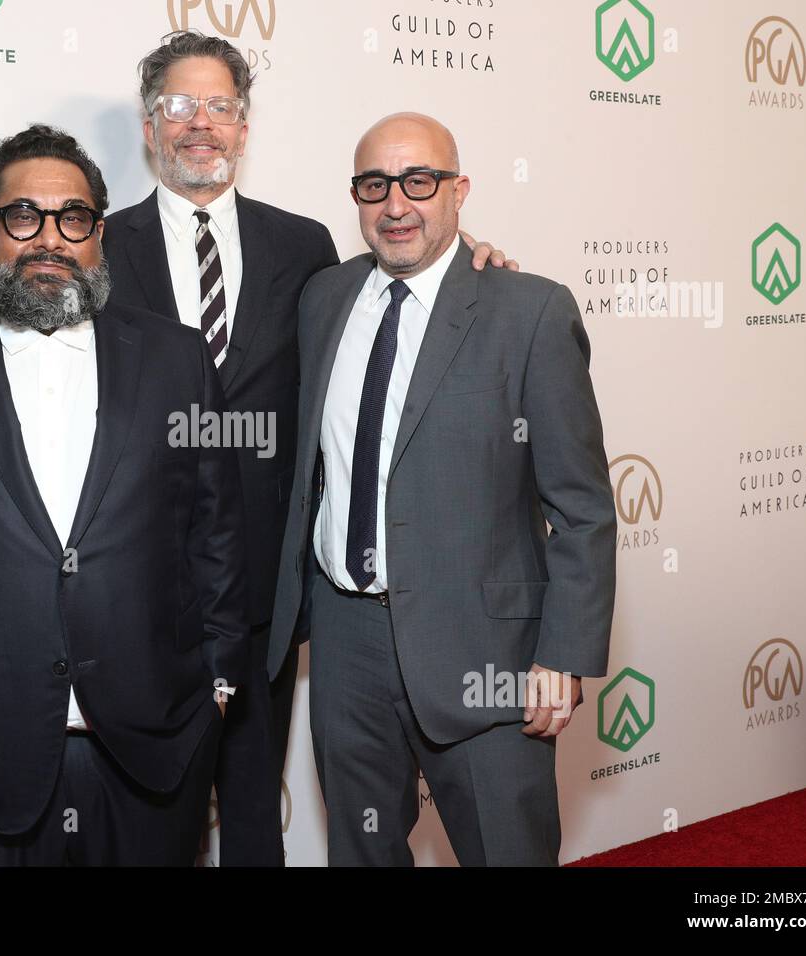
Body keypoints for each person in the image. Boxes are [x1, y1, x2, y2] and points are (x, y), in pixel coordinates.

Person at [0, 30, 518, 866]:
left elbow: (399, 298)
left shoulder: (306, 246)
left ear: (245, 126)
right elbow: (28, 337)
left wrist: (478, 263)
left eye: (220, 105)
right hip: (129, 598)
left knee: (254, 809)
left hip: (258, 591)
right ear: (150, 127)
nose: (200, 123)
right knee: (141, 818)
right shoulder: (91, 240)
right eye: (179, 105)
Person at [0, 124, 247, 865]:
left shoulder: (178, 361)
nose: (49, 240)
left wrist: (216, 685)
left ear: (100, 234)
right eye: (23, 217)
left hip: (152, 751)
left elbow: (215, 531)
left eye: (74, 219)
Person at [267, 112, 617, 866]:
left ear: (459, 190)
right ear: (355, 197)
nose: (396, 204)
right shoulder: (323, 298)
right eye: (374, 185)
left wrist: (564, 655)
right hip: (345, 641)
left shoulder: (529, 311)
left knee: (506, 850)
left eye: (418, 182)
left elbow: (582, 505)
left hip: (486, 646)